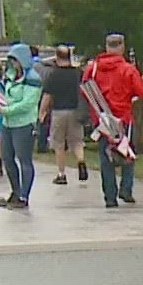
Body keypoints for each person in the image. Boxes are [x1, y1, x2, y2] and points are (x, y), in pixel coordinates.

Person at [83, 34, 143, 209]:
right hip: (123, 118)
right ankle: (126, 189)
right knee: (127, 152)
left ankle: (110, 197)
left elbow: (85, 89)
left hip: (102, 119)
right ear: (122, 47)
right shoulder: (128, 69)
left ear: (106, 47)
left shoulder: (93, 68)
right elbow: (142, 91)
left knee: (106, 157)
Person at [0, 45, 43, 208]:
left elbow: (28, 103)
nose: (13, 64)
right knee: (7, 157)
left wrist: (7, 109)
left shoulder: (33, 78)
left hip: (24, 123)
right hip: (7, 123)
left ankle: (24, 195)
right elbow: (8, 95)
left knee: (24, 159)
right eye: (11, 60)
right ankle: (15, 190)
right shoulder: (10, 76)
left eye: (15, 60)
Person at [40, 45, 87, 184]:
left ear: (57, 57)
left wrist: (42, 112)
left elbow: (47, 96)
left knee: (59, 143)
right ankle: (81, 162)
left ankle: (61, 174)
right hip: (75, 110)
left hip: (59, 111)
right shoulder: (77, 73)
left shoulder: (53, 74)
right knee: (77, 141)